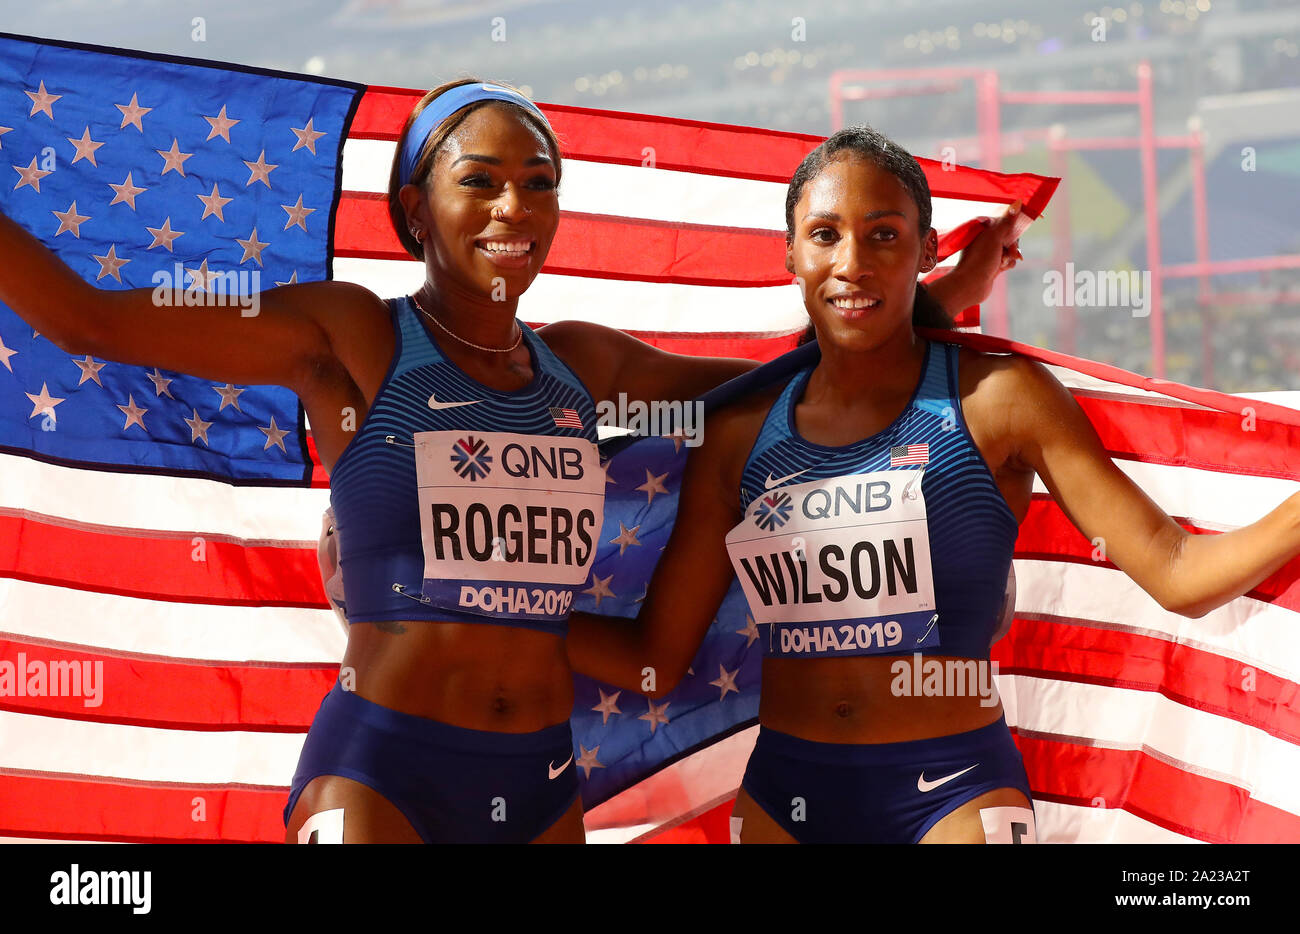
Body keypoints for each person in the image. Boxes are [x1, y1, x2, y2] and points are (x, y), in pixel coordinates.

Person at [0, 82, 1018, 842]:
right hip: (383, 766)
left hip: (536, 781)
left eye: (539, 184)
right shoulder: (352, 338)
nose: (513, 207)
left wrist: (941, 301)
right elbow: (87, 320)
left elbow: (798, 381)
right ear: (411, 210)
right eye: (478, 181)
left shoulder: (583, 366)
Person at [565, 124, 1300, 844]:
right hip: (786, 797)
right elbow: (653, 662)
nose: (852, 262)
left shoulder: (1000, 400)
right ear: (791, 254)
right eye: (825, 235)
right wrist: (481, 603)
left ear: (925, 248)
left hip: (951, 790)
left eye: (883, 234)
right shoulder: (739, 432)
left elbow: (1178, 573)